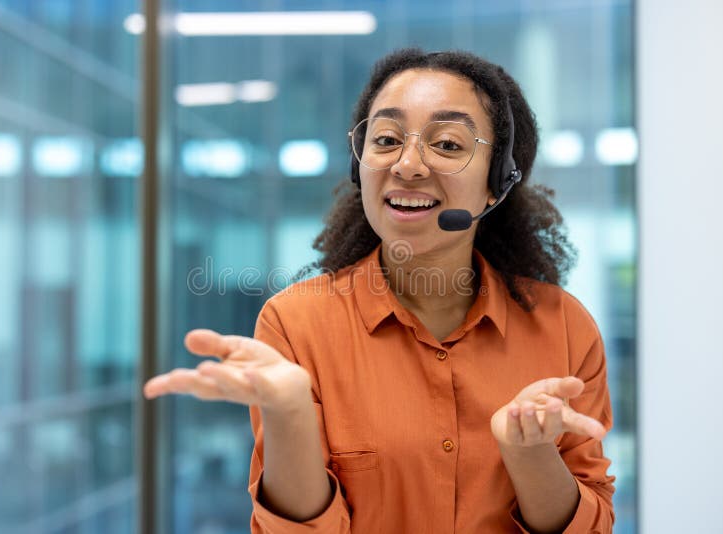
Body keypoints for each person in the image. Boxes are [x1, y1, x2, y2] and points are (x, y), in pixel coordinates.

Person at [144, 48, 615, 533]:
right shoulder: (295, 325)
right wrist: (289, 416)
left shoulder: (563, 327)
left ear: (497, 180)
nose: (407, 165)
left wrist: (532, 453)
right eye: (386, 139)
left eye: (447, 144)